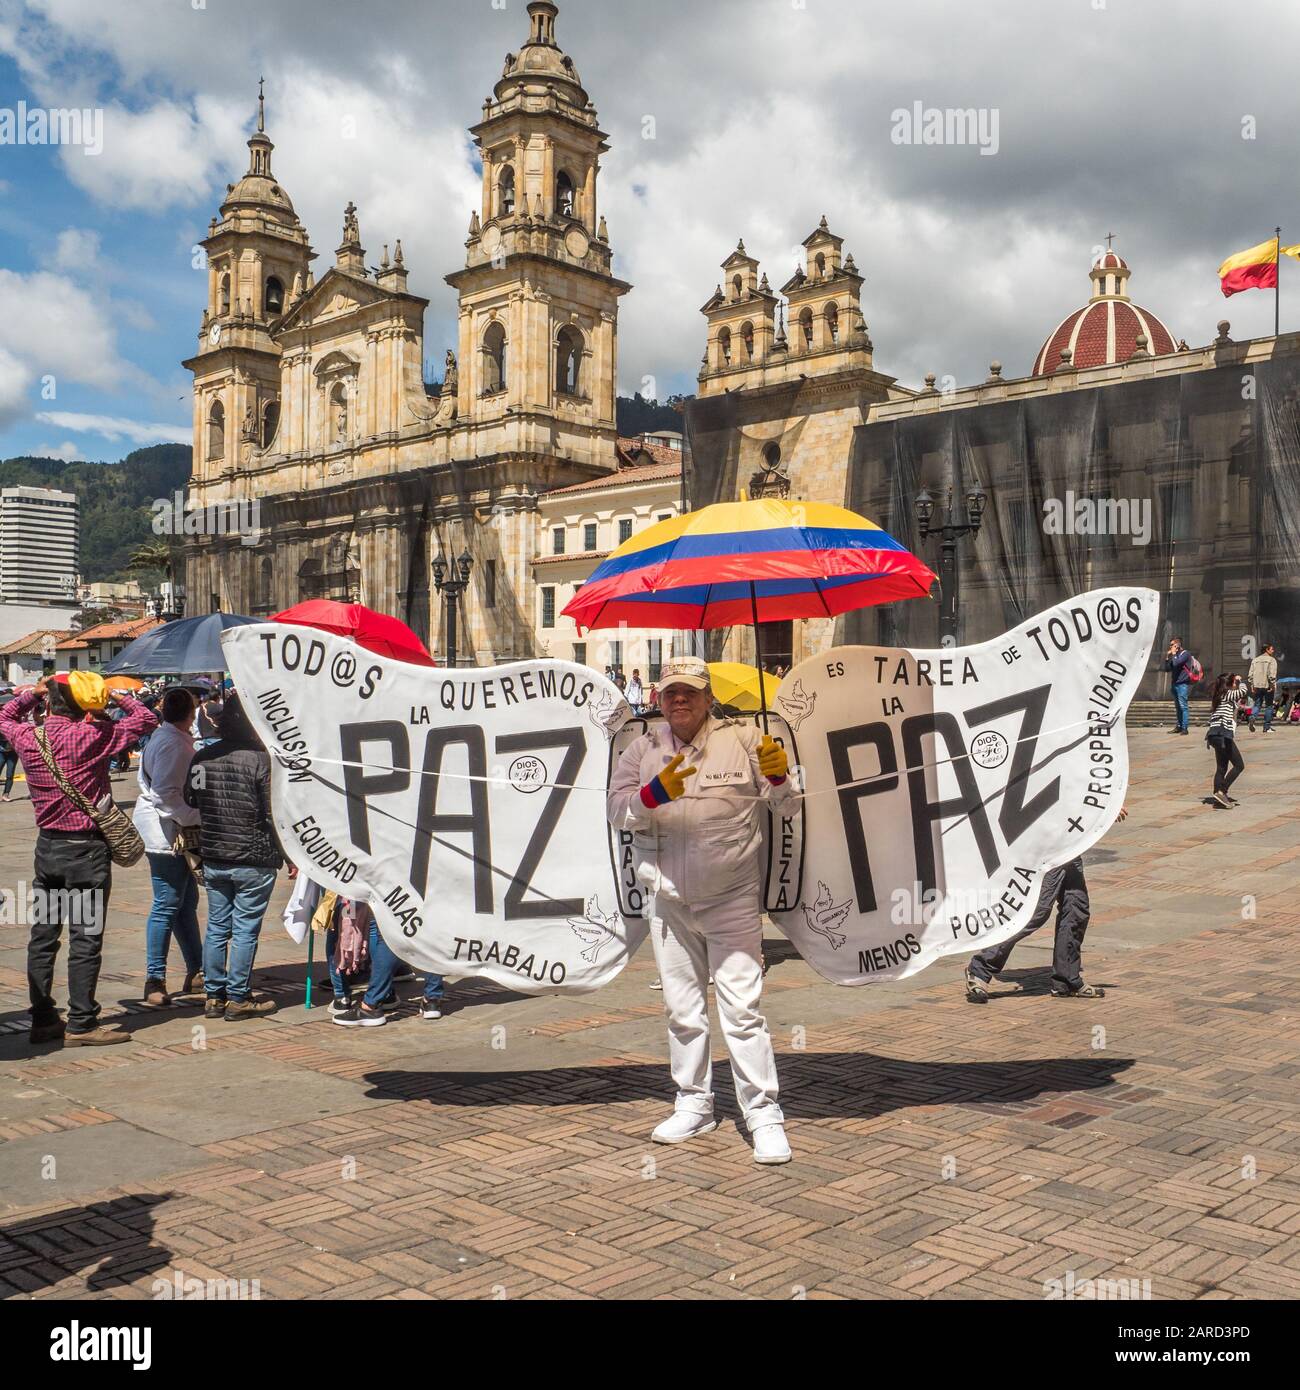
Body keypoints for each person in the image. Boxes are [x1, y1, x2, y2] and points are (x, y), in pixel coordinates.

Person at [608, 655, 800, 1165]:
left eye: (689, 692)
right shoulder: (641, 749)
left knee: (742, 1011)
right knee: (682, 1010)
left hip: (732, 899)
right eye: (671, 692)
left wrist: (780, 779)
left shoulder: (746, 741)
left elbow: (788, 806)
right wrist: (650, 795)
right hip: (668, 901)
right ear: (659, 697)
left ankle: (763, 1114)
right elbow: (614, 810)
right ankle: (694, 1102)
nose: (679, 701)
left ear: (708, 697)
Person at [0, 672, 158, 1046]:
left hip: (48, 849)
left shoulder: (29, 736)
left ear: (49, 702)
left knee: (43, 937)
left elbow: (4, 718)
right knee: (84, 939)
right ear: (84, 705)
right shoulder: (92, 736)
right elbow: (147, 720)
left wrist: (29, 697)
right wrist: (117, 696)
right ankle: (82, 1022)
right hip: (85, 850)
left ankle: (42, 1018)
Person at [185, 693, 283, 1019]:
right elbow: (272, 812)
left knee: (216, 926)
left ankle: (214, 995)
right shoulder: (261, 760)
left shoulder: (202, 757)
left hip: (214, 854)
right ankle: (239, 995)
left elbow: (191, 797)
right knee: (244, 929)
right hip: (254, 855)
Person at [964, 807, 1127, 1004]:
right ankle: (980, 969)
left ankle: (1067, 980)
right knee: (1035, 912)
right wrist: (1106, 807)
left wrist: (1106, 804)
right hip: (1047, 842)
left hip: (1068, 842)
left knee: (1076, 908)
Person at [132, 686, 204, 1007]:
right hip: (166, 835)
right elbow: (164, 794)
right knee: (167, 902)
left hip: (163, 830)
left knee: (185, 903)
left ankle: (197, 970)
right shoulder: (175, 745)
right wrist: (195, 816)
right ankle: (155, 978)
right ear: (191, 713)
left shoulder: (163, 737)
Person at [1205, 672, 1247, 809]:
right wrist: (1241, 680)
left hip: (1214, 734)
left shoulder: (1218, 696)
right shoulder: (1227, 694)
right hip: (1223, 734)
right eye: (1234, 682)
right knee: (1239, 765)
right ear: (1229, 684)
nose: (1235, 684)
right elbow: (1243, 691)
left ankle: (1218, 798)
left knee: (1221, 767)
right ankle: (1222, 791)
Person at [1164, 637, 1195, 734]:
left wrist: (1173, 654)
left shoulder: (1185, 654)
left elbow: (1177, 663)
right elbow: (1167, 669)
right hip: (1174, 684)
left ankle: (1185, 728)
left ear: (1177, 645)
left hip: (1182, 684)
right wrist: (1167, 657)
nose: (1170, 647)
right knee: (1177, 707)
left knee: (1183, 706)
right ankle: (1179, 726)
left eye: (1172, 645)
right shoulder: (1175, 656)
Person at [1247, 643, 1278, 733]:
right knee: (1269, 706)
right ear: (1267, 650)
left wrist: (1252, 686)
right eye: (1272, 649)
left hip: (1257, 686)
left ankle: (1252, 717)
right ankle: (1267, 727)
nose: (1273, 651)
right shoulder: (1272, 660)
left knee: (1257, 704)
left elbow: (1250, 675)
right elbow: (1272, 675)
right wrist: (1272, 685)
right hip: (1268, 686)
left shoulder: (1255, 660)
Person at [0, 723, 19, 800]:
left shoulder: (15, 726)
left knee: (10, 774)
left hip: (12, 754)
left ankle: (6, 794)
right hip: (1, 752)